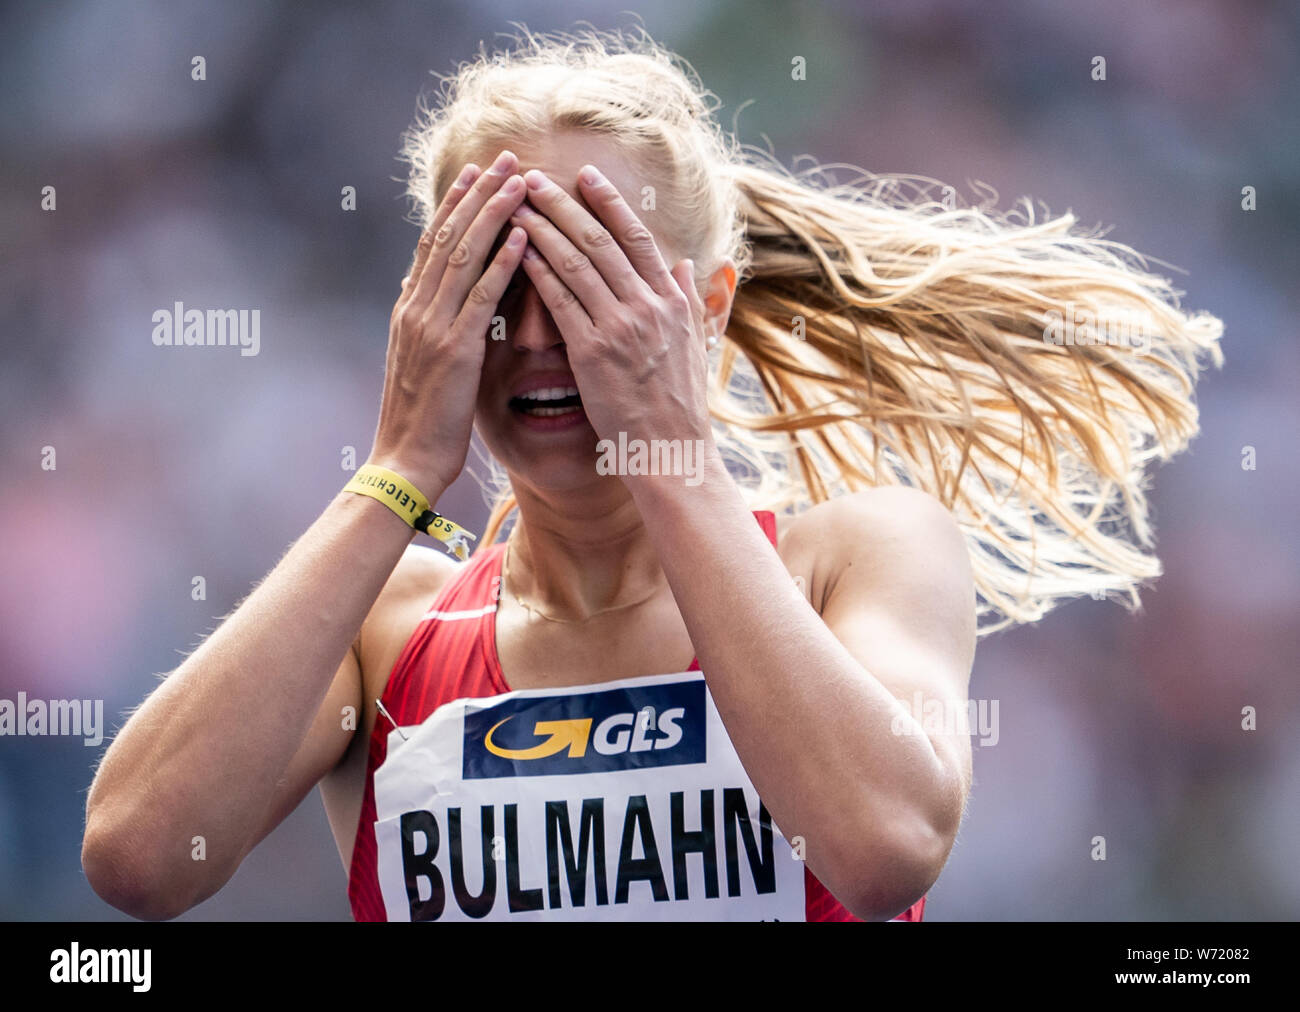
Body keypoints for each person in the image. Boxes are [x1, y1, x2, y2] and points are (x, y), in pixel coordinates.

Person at [81, 25, 1223, 921]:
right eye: (495, 278)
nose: (537, 333)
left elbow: (882, 850)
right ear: (430, 308)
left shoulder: (858, 555)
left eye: (593, 281)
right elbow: (139, 861)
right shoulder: (388, 628)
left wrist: (666, 443)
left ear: (705, 309)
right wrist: (396, 470)